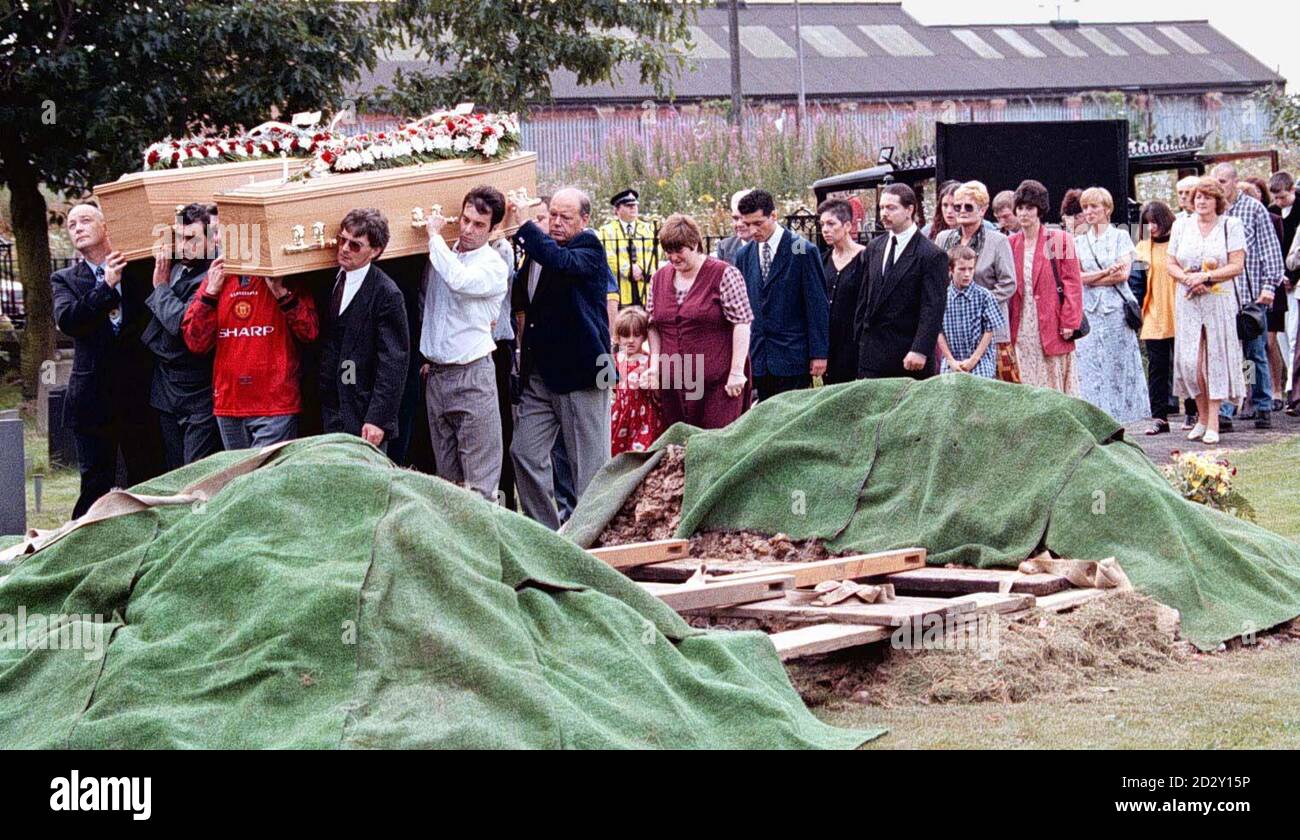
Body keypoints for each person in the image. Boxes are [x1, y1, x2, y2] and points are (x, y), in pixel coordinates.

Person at [510, 187, 613, 529]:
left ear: (584, 220)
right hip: (540, 374)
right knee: (523, 453)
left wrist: (525, 226)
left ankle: (594, 540)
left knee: (590, 470)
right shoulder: (539, 252)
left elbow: (561, 262)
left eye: (564, 217)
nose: (554, 223)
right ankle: (548, 535)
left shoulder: (588, 247)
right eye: (551, 214)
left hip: (581, 372)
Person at [52, 202, 160, 517]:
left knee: (147, 478)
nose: (78, 228)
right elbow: (69, 320)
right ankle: (81, 548)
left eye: (85, 220)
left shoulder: (137, 267)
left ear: (106, 226)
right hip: (92, 399)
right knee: (95, 484)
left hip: (138, 395)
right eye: (72, 225)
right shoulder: (65, 279)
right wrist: (106, 286)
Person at [419, 186, 510, 502]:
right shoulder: (443, 256)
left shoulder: (493, 265)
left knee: (480, 488)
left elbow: (459, 281)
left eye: (479, 224)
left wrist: (433, 236)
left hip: (472, 377)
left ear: (493, 228)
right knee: (448, 486)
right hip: (438, 377)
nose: (469, 229)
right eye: (465, 219)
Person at [182, 259, 318, 449]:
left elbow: (309, 332)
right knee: (240, 477)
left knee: (265, 477)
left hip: (275, 405)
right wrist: (209, 293)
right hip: (229, 403)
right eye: (217, 233)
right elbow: (196, 342)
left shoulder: (280, 273)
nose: (217, 240)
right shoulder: (215, 277)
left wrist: (281, 293)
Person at [646, 213, 753, 428]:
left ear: (695, 244)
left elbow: (742, 323)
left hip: (718, 383)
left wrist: (736, 372)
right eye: (668, 251)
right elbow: (653, 325)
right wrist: (655, 366)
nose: (673, 257)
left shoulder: (724, 273)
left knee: (716, 445)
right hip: (674, 383)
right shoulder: (658, 278)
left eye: (679, 251)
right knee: (678, 447)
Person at [319, 208, 410, 451]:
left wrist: (378, 419)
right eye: (342, 240)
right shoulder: (326, 280)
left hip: (362, 412)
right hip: (327, 410)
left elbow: (393, 363)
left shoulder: (386, 294)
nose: (345, 249)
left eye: (355, 245)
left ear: (376, 251)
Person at [1166, 176, 1247, 445]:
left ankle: (1213, 421)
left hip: (1218, 299)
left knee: (1214, 360)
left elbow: (1236, 265)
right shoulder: (1181, 225)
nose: (1200, 201)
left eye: (1207, 197)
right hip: (1188, 297)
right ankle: (1200, 417)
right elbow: (1171, 263)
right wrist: (1189, 278)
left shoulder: (1230, 225)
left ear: (1217, 200)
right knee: (1190, 363)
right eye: (1197, 196)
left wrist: (1207, 278)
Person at [142, 202, 222, 469]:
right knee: (173, 467)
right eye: (176, 237)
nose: (181, 245)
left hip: (198, 388)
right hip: (166, 387)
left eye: (190, 238)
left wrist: (161, 288)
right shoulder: (175, 267)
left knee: (195, 470)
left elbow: (182, 323)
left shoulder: (214, 275)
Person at [734, 189, 829, 398]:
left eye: (758, 223)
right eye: (748, 224)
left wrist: (819, 353)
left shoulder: (800, 249)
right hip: (758, 357)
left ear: (774, 216)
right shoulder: (744, 255)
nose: (753, 230)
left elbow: (817, 305)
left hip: (792, 356)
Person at [1212, 162, 1284, 429]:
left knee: (1255, 352)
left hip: (1249, 295)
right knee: (1232, 354)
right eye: (1215, 182)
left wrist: (1269, 286)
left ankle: (1262, 403)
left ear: (1233, 181)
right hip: (1222, 295)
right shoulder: (1215, 213)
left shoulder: (1253, 209)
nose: (1219, 187)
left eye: (1222, 181)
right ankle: (1231, 406)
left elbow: (1270, 250)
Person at [853, 183, 948, 380]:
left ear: (909, 209)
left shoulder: (931, 254)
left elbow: (933, 307)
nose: (884, 213)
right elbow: (865, 299)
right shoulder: (873, 248)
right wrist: (859, 340)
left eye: (891, 208)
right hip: (872, 357)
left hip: (908, 357)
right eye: (881, 208)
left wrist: (920, 349)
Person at [1072, 186, 1148, 423]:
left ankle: (1123, 417)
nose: (1089, 212)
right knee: (1091, 366)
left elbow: (1122, 275)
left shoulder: (1121, 236)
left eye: (1094, 206)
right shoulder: (1078, 241)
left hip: (1115, 309)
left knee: (1117, 364)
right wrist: (1105, 272)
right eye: (1085, 207)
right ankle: (1095, 417)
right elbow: (1076, 277)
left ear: (1106, 209)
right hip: (1090, 311)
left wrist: (1094, 278)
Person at [935, 181, 1017, 382]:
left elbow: (1009, 284)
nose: (961, 211)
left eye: (968, 206)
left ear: (982, 210)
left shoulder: (997, 241)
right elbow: (936, 281)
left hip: (989, 330)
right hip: (953, 332)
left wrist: (980, 305)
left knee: (1000, 393)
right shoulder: (943, 238)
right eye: (957, 206)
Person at [1007, 180, 1084, 395]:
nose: (1023, 213)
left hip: (1053, 320)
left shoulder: (1060, 239)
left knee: (1053, 377)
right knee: (1025, 379)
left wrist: (1070, 321)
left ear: (1039, 210)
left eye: (1029, 208)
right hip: (1021, 323)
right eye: (1020, 208)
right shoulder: (1010, 243)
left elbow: (1073, 284)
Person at [1136, 201, 1180, 435]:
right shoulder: (1142, 247)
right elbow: (1136, 282)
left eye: (1155, 222)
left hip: (1180, 311)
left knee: (1184, 365)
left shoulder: (1179, 241)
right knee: (1157, 368)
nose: (1151, 227)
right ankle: (1159, 417)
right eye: (1147, 223)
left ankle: (1192, 412)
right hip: (1153, 313)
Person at [818, 198, 868, 385]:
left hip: (855, 343)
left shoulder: (866, 257)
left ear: (847, 225)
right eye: (822, 224)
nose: (825, 229)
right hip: (829, 343)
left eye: (831, 224)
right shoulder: (822, 260)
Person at [938, 246, 1005, 378]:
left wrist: (973, 360)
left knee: (979, 385)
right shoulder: (942, 297)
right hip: (952, 359)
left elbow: (989, 331)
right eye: (962, 269)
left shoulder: (984, 296)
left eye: (971, 269)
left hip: (980, 359)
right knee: (947, 389)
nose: (967, 274)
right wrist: (950, 360)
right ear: (950, 270)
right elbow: (938, 331)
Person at [610, 306, 663, 454]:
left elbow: (658, 395)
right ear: (618, 337)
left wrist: (655, 386)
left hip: (644, 420)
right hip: (619, 419)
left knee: (640, 456)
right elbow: (613, 392)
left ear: (645, 336)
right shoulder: (614, 361)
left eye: (637, 335)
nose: (631, 341)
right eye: (625, 335)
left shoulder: (649, 362)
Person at [597, 188, 659, 307]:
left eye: (635, 205)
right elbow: (607, 257)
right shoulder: (606, 231)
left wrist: (640, 267)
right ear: (617, 210)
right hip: (620, 291)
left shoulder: (649, 229)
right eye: (628, 205)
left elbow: (655, 252)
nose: (633, 208)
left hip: (645, 291)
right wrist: (629, 270)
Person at [714, 189, 753, 266]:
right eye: (735, 218)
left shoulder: (766, 248)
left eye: (744, 218)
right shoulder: (724, 248)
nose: (739, 224)